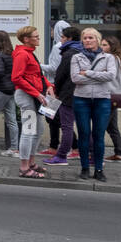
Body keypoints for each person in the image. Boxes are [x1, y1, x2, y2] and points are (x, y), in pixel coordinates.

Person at [69, 28, 118, 182]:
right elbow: (75, 78)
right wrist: (98, 76)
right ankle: (84, 168)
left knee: (99, 136)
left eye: (91, 37)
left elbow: (110, 76)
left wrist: (88, 73)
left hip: (101, 99)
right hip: (81, 99)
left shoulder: (108, 57)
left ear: (97, 39)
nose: (87, 40)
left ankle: (98, 169)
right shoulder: (76, 57)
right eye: (85, 38)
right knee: (84, 134)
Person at [12, 25, 51, 178]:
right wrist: (37, 93)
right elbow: (16, 78)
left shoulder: (29, 53)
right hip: (26, 97)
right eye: (36, 36)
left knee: (39, 130)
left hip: (34, 96)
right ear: (26, 39)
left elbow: (38, 75)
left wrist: (49, 86)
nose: (38, 38)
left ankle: (31, 162)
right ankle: (24, 168)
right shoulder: (22, 54)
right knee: (28, 132)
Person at [45, 26, 82, 165]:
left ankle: (61, 156)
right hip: (80, 94)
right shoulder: (83, 51)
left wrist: (57, 92)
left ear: (69, 39)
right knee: (83, 127)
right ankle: (89, 155)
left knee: (66, 126)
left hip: (67, 94)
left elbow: (60, 74)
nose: (60, 40)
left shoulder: (68, 53)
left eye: (63, 37)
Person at [44, 19, 70, 151]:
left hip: (53, 85)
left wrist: (38, 66)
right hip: (61, 86)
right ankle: (53, 145)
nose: (51, 32)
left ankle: (58, 146)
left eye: (52, 29)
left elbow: (54, 68)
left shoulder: (57, 47)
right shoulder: (67, 46)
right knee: (55, 117)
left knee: (53, 117)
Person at [101, 35, 121, 162]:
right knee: (112, 127)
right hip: (115, 95)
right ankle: (119, 153)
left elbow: (108, 76)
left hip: (109, 95)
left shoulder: (110, 58)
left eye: (105, 45)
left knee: (101, 125)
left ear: (112, 46)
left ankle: (93, 153)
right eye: (102, 44)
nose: (102, 47)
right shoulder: (117, 58)